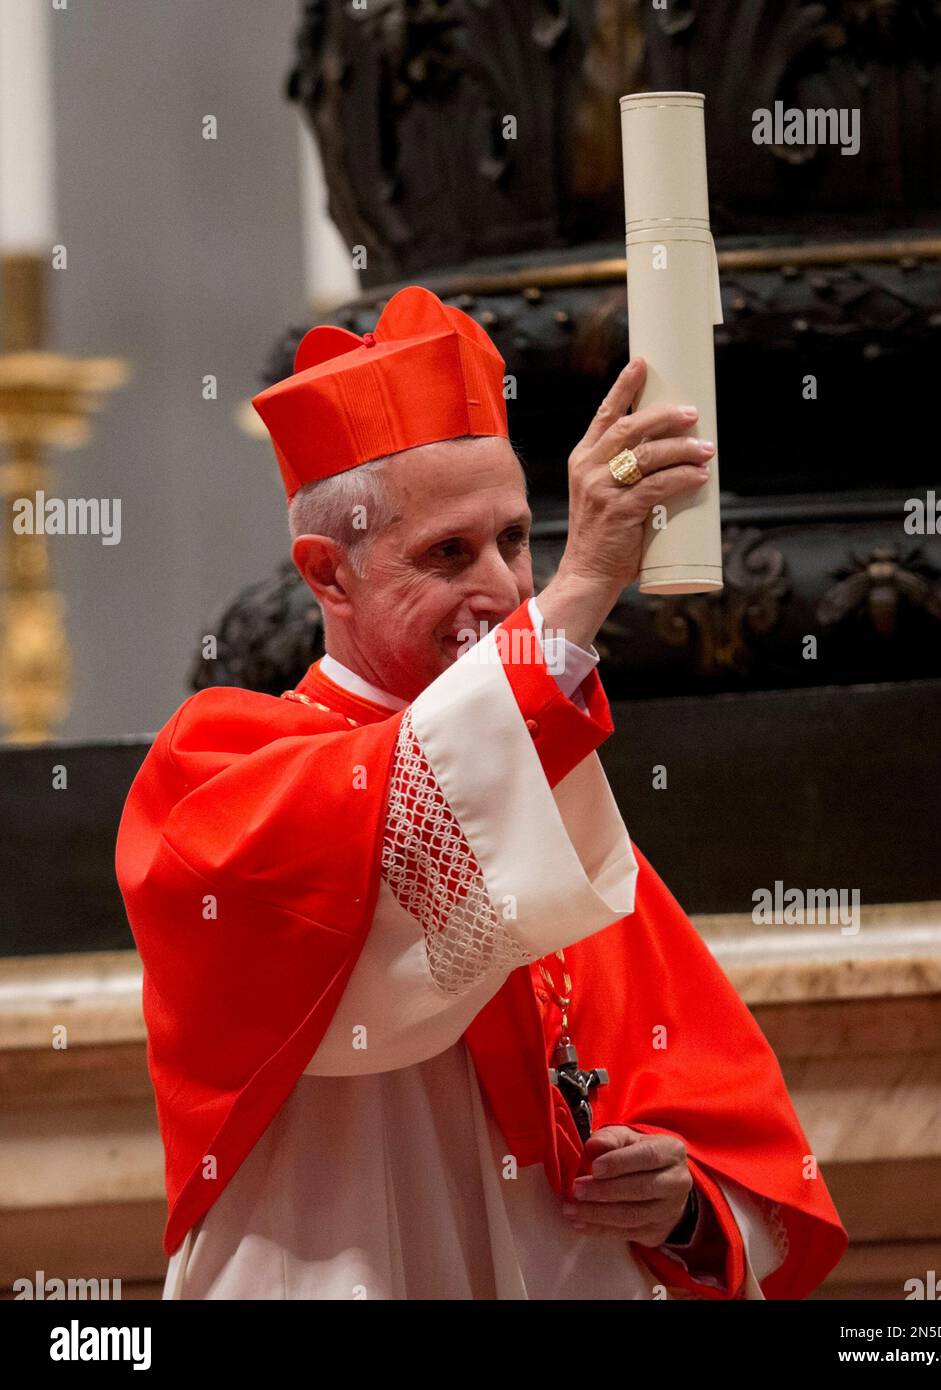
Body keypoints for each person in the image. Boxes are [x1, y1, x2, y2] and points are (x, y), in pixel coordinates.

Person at [115, 286, 847, 1300]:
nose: (503, 588)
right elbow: (391, 911)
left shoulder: (547, 793)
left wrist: (680, 1202)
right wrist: (584, 585)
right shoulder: (220, 765)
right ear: (329, 575)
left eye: (516, 539)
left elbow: (741, 1161)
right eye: (448, 553)